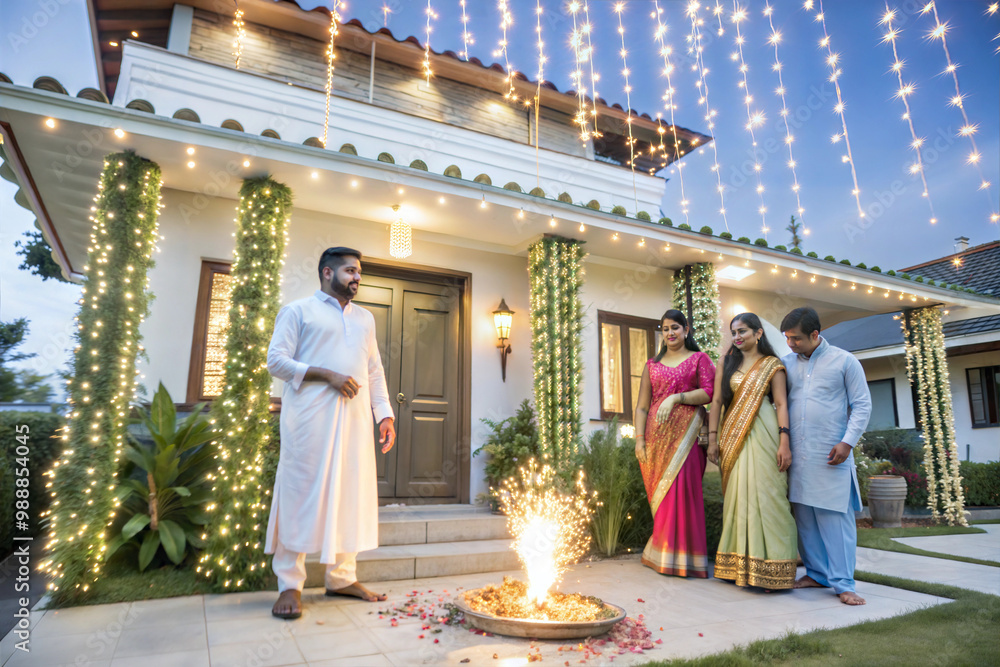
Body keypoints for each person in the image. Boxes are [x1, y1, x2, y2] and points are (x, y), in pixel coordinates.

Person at [266, 247, 396, 619]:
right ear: (327, 272)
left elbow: (374, 371)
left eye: (359, 273)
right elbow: (276, 360)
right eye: (350, 271)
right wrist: (328, 375)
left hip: (354, 421)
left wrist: (383, 414)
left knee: (349, 494)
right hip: (309, 421)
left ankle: (342, 578)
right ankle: (290, 584)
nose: (357, 278)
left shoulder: (365, 319)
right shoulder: (298, 311)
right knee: (301, 492)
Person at [781, 306, 871, 606]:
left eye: (795, 339)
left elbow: (862, 405)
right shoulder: (786, 364)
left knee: (835, 520)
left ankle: (844, 583)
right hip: (799, 456)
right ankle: (817, 573)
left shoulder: (845, 361)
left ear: (815, 334)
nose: (791, 344)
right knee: (805, 520)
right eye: (787, 338)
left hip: (832, 454)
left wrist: (848, 442)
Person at [707, 313, 797, 591]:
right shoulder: (727, 361)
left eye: (742, 331)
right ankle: (737, 566)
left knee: (769, 496)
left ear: (758, 333)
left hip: (767, 435)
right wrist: (712, 439)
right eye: (733, 332)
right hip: (734, 435)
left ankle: (774, 569)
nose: (737, 337)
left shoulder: (773, 365)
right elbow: (718, 401)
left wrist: (785, 442)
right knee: (738, 497)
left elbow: (781, 404)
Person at [634, 309, 716, 577]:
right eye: (665, 328)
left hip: (687, 440)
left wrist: (676, 398)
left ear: (686, 329)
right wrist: (639, 440)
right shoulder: (651, 365)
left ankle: (685, 559)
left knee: (684, 493)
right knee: (663, 496)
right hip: (656, 442)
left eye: (675, 328)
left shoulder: (699, 359)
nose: (670, 333)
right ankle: (662, 553)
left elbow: (709, 392)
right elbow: (642, 408)